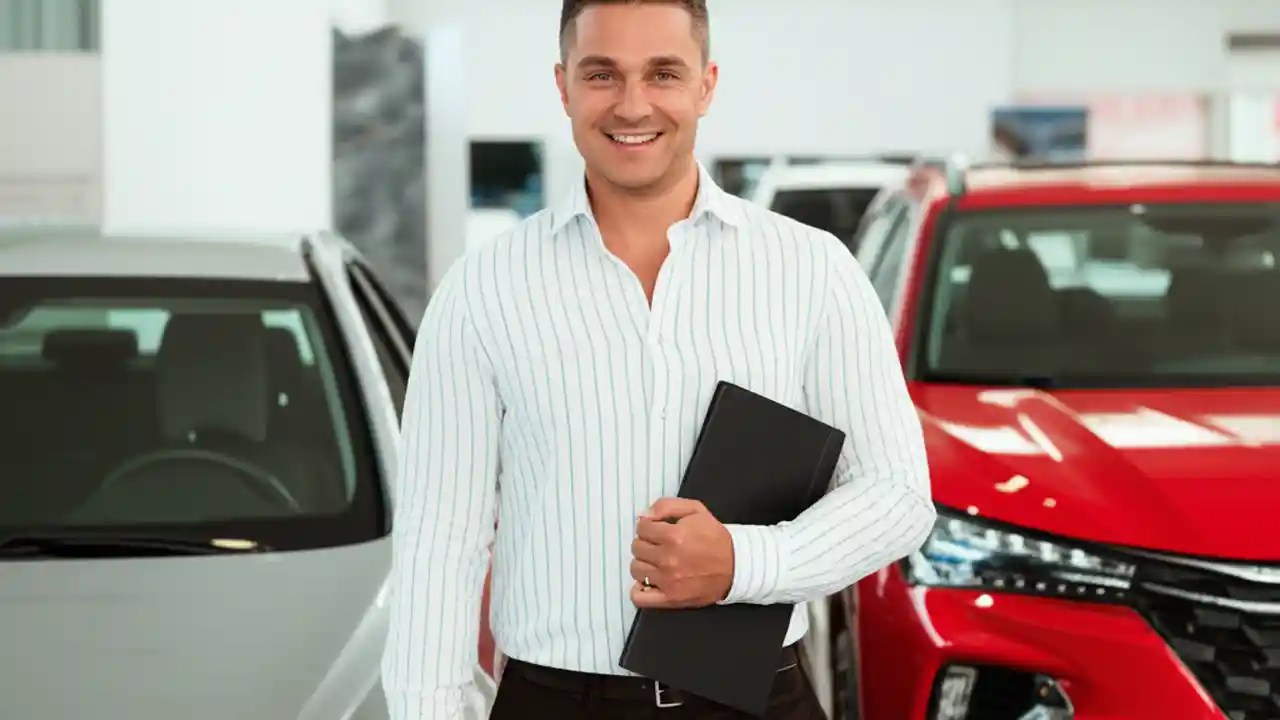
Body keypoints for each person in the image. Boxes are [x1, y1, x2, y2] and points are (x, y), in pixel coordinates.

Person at [380, 1, 937, 718]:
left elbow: (897, 495)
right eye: (602, 74)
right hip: (554, 700)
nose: (632, 104)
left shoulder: (810, 271)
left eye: (663, 73)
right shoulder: (483, 287)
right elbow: (439, 539)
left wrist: (742, 562)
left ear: (706, 85)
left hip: (757, 696)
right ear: (564, 87)